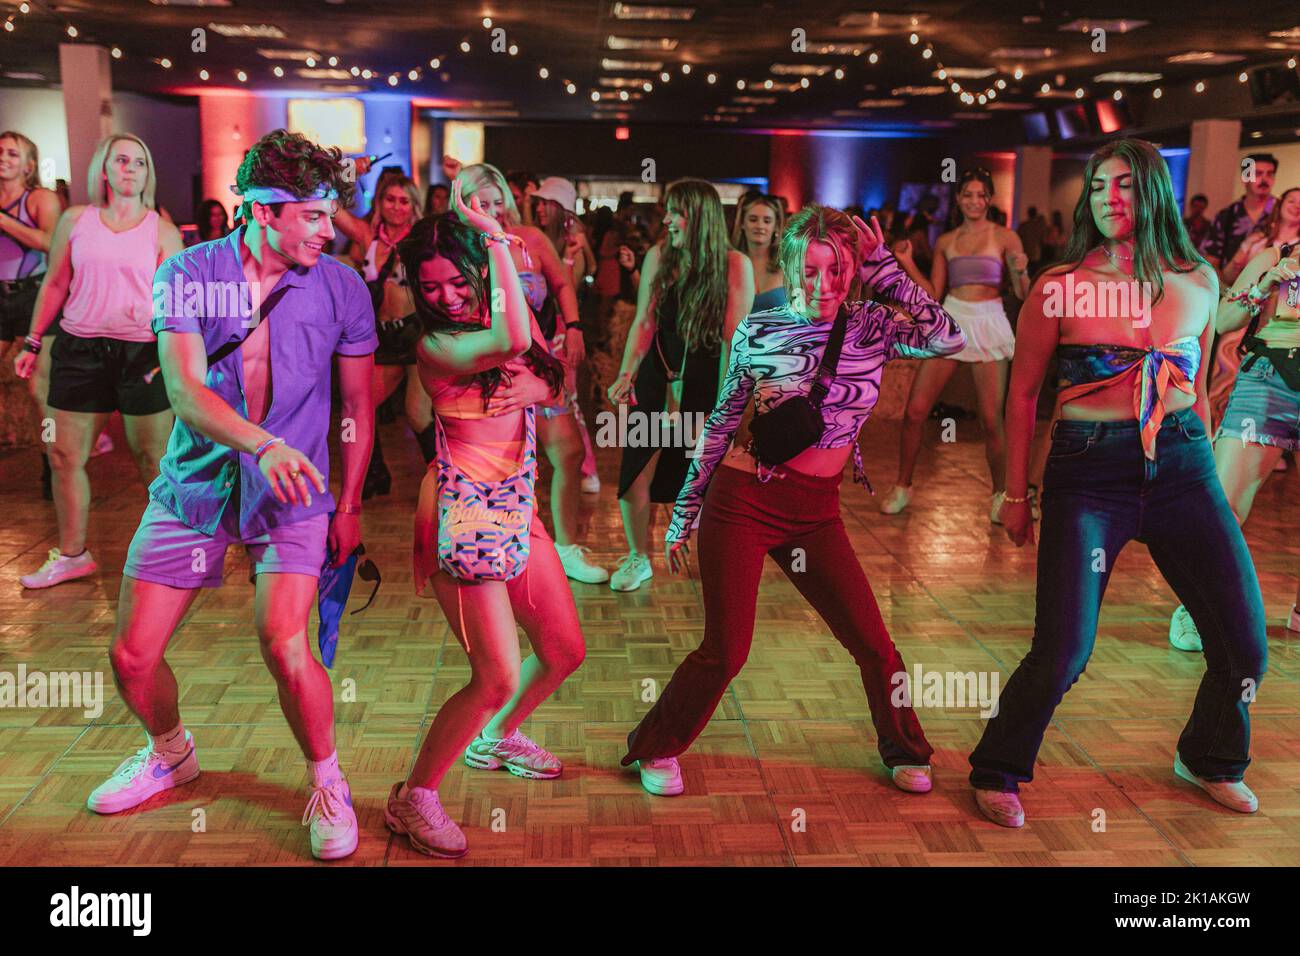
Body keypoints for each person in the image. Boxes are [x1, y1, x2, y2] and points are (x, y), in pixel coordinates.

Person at [81, 129, 376, 861]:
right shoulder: (187, 272)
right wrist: (260, 443)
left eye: (329, 212)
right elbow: (182, 390)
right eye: (311, 214)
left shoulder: (342, 286)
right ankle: (170, 751)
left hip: (295, 491)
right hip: (197, 484)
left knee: (284, 642)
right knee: (131, 656)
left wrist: (348, 503)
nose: (326, 227)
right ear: (263, 211)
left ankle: (327, 780)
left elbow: (359, 411)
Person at [969, 138, 1267, 828]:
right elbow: (1023, 398)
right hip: (1088, 472)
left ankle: (1211, 758)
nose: (1109, 198)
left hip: (1185, 468)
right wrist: (1016, 495)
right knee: (1065, 649)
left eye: (1125, 185)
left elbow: (1194, 389)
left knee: (1244, 643)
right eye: (1099, 186)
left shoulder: (1198, 278)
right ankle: (998, 765)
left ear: (1153, 193)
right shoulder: (1059, 284)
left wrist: (1212, 477)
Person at [621, 206, 965, 797]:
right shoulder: (759, 328)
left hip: (817, 511)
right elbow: (723, 421)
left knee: (874, 643)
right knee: (726, 651)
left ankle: (906, 748)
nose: (824, 285)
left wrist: (886, 266)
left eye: (838, 270)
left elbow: (948, 335)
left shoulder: (872, 326)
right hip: (744, 501)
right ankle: (656, 747)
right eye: (810, 270)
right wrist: (685, 509)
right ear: (787, 266)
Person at [390, 195, 585, 858]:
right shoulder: (435, 343)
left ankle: (496, 735)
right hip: (463, 516)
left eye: (455, 281)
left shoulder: (497, 308)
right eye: (429, 286)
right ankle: (413, 798)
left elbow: (552, 370)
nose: (444, 296)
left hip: (516, 510)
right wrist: (500, 242)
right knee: (496, 673)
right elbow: (512, 344)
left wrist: (539, 388)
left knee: (562, 651)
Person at [14, 133, 183, 588]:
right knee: (63, 454)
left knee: (154, 459)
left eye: (139, 163)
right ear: (103, 171)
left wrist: (163, 331)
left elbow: (179, 302)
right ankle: (73, 555)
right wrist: (32, 342)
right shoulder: (75, 220)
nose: (130, 168)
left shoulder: (162, 230)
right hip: (79, 348)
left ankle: (165, 556)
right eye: (121, 160)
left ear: (148, 175)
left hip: (142, 355)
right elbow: (54, 284)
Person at [452, 162, 608, 584]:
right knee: (501, 465)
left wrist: (573, 328)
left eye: (497, 201)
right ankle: (497, 549)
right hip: (488, 371)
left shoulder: (533, 239)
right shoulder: (459, 246)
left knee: (569, 453)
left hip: (540, 364)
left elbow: (560, 284)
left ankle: (566, 548)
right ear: (463, 206)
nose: (492, 210)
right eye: (480, 203)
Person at [606, 178, 755, 592]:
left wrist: (726, 409)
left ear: (700, 216)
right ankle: (639, 558)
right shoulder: (659, 257)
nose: (666, 219)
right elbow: (645, 322)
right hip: (658, 375)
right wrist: (625, 373)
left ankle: (714, 557)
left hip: (706, 382)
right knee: (635, 474)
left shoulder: (734, 264)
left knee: (704, 477)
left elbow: (733, 342)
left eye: (676, 211)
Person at [1170, 186, 1300, 651]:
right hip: (1270, 377)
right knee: (1227, 502)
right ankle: (1196, 609)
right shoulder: (1275, 256)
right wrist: (1261, 289)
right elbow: (1222, 320)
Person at [882, 168, 1030, 520]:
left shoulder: (1007, 237)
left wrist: (1023, 271)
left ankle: (1001, 496)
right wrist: (904, 262)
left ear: (990, 199)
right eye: (968, 195)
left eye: (981, 195)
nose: (975, 201)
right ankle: (903, 486)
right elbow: (933, 293)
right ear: (959, 199)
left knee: (991, 420)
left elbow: (1023, 294)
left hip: (990, 321)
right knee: (916, 410)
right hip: (951, 318)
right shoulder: (946, 241)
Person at [333, 173, 434, 497]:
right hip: (384, 338)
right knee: (361, 406)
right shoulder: (368, 237)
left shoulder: (423, 237)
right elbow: (332, 208)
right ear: (380, 202)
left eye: (404, 201)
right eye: (390, 199)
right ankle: (374, 474)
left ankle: (444, 477)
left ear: (413, 206)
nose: (396, 207)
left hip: (417, 335)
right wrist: (349, 173)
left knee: (418, 414)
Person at [0, 130, 61, 494]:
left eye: (11, 153)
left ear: (29, 165)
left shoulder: (39, 198)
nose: (3, 158)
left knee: (40, 390)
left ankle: (52, 461)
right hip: (1, 296)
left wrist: (4, 220)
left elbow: (50, 242)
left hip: (35, 296)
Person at [732, 192, 787, 312]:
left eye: (767, 221)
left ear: (776, 226)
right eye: (753, 220)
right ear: (742, 223)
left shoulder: (788, 265)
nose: (760, 226)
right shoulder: (729, 263)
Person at [1017, 205, 1048, 275]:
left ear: (1028, 214)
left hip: (1025, 253)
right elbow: (1043, 240)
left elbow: (1018, 238)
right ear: (1036, 214)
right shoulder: (1039, 227)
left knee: (1024, 275)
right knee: (1034, 275)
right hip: (1035, 255)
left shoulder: (1023, 226)